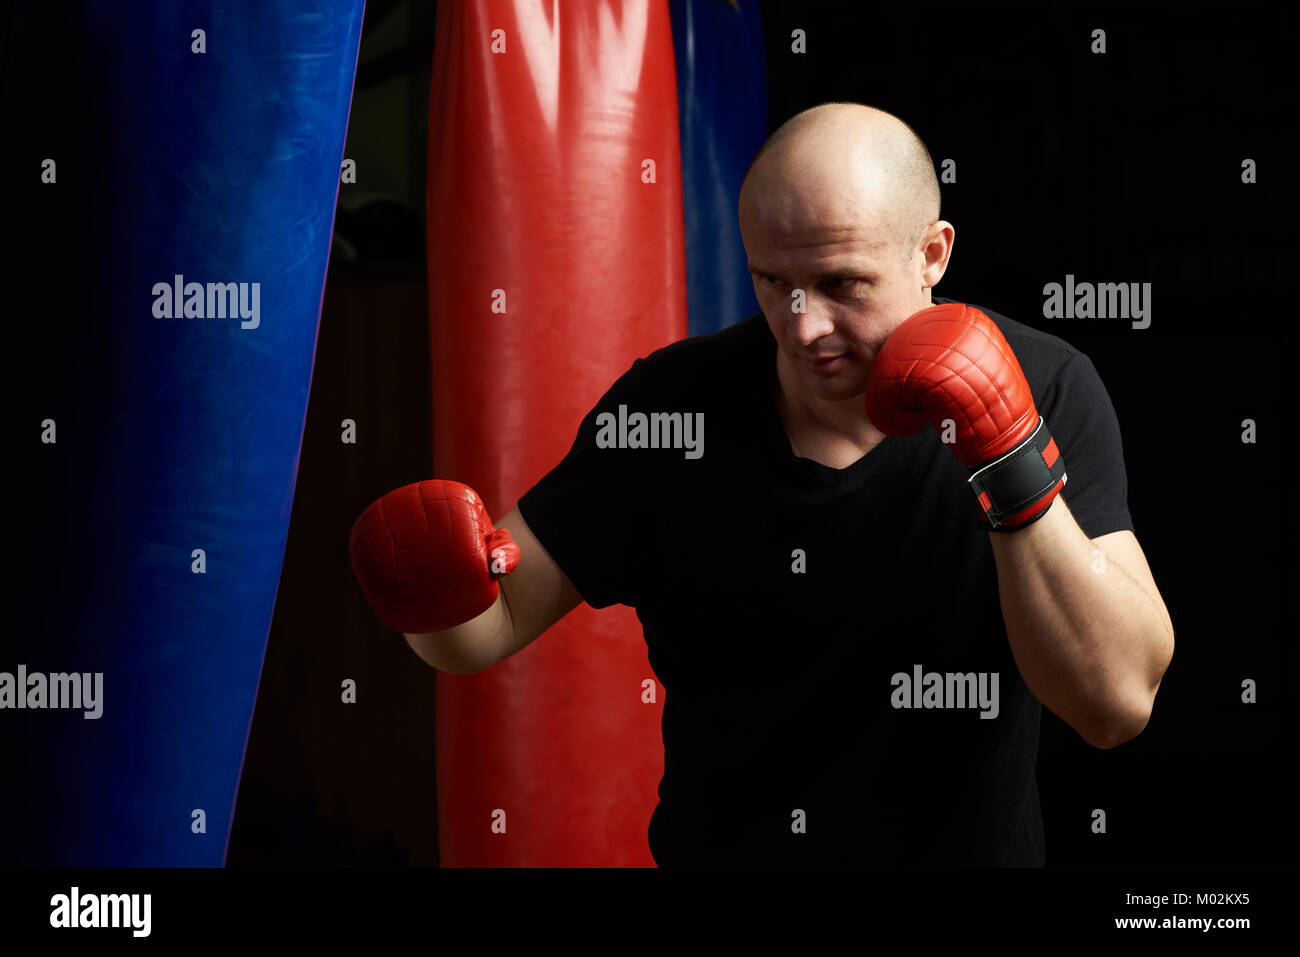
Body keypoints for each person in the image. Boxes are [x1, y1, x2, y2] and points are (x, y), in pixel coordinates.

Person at [350, 102, 1175, 867]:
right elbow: (485, 630)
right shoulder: (669, 410)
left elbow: (1116, 704)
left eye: (841, 284)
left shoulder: (1050, 386)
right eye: (774, 282)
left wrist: (1006, 450)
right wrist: (434, 593)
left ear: (931, 255)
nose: (804, 325)